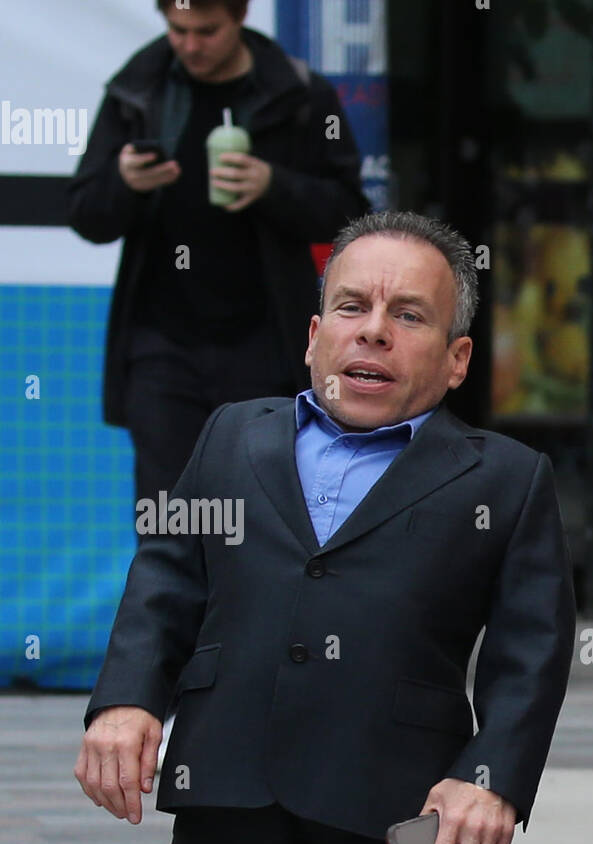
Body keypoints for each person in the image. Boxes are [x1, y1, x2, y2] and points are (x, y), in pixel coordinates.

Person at [73, 211, 576, 844]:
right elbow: (169, 574)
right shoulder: (232, 435)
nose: (373, 331)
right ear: (314, 335)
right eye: (351, 306)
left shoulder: (508, 480)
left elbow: (530, 653)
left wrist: (489, 782)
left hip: (401, 784)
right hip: (233, 751)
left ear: (457, 355)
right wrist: (127, 701)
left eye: (409, 315)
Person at [67, 0, 368, 508]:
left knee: (260, 516)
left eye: (206, 31)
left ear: (241, 17)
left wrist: (275, 185)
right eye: (178, 30)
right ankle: (169, 593)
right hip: (161, 346)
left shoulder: (298, 94)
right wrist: (124, 184)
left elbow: (350, 215)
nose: (189, 45)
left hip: (264, 343)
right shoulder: (138, 90)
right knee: (168, 518)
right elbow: (86, 216)